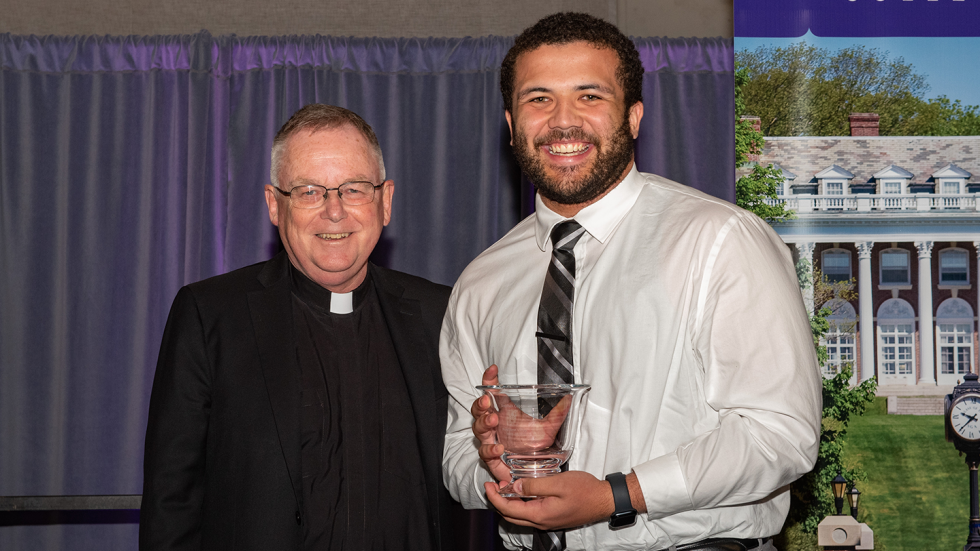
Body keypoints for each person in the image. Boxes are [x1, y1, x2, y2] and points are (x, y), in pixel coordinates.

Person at [440, 12, 822, 551]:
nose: (562, 121)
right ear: (510, 122)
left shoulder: (720, 241)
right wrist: (495, 464)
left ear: (634, 116)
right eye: (539, 98)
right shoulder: (480, 282)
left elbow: (779, 436)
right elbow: (457, 458)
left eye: (590, 96)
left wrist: (615, 495)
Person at [140, 104, 455, 551]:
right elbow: (171, 503)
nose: (334, 211)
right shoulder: (210, 316)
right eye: (309, 191)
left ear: (385, 202)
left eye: (354, 189)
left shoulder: (439, 312)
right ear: (274, 204)